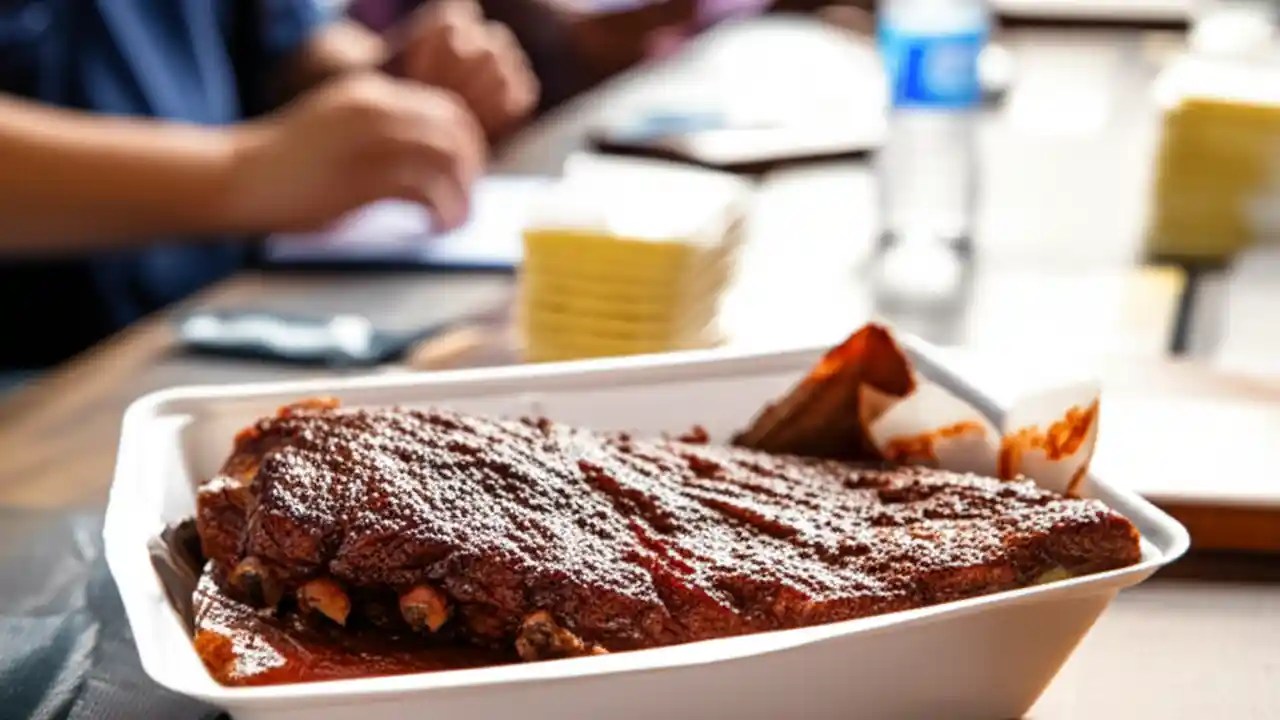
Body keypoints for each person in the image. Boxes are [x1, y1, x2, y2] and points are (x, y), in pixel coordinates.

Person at [0, 0, 538, 368]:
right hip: (42, 377)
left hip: (221, 323)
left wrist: (390, 82)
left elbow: (289, 45)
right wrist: (239, 172)